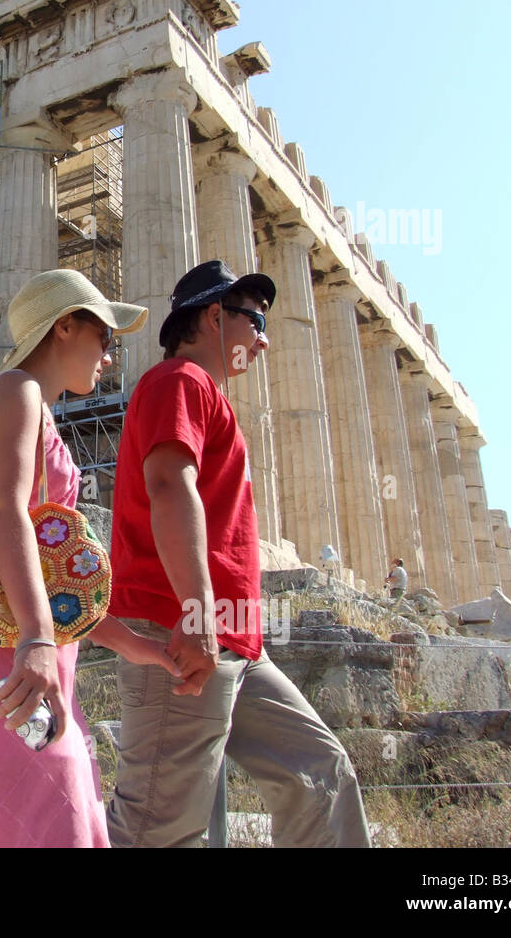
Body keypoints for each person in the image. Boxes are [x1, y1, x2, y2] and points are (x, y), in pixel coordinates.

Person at [0, 268, 179, 848]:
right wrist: (38, 639)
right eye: (104, 338)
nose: (109, 357)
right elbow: (3, 512)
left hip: (6, 646)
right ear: (65, 326)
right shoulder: (18, 390)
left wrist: (147, 651)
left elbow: (53, 579)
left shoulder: (23, 402)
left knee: (23, 818)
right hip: (11, 657)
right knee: (51, 817)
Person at [106, 259, 371, 848]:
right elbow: (170, 487)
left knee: (320, 776)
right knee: (157, 828)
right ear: (213, 316)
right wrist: (198, 615)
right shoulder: (180, 382)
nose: (265, 338)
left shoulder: (210, 399)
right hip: (182, 629)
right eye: (255, 320)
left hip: (236, 640)